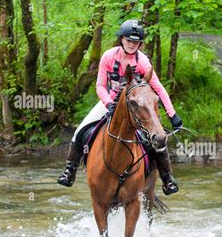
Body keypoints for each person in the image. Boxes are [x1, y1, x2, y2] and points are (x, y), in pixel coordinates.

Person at [58, 20, 183, 195]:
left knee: (159, 137)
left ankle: (167, 179)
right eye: (129, 40)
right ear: (122, 39)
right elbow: (100, 85)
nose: (132, 44)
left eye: (136, 41)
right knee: (80, 130)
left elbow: (158, 88)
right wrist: (109, 104)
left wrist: (172, 114)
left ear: (140, 43)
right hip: (110, 102)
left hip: (135, 106)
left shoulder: (143, 61)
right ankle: (69, 171)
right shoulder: (108, 56)